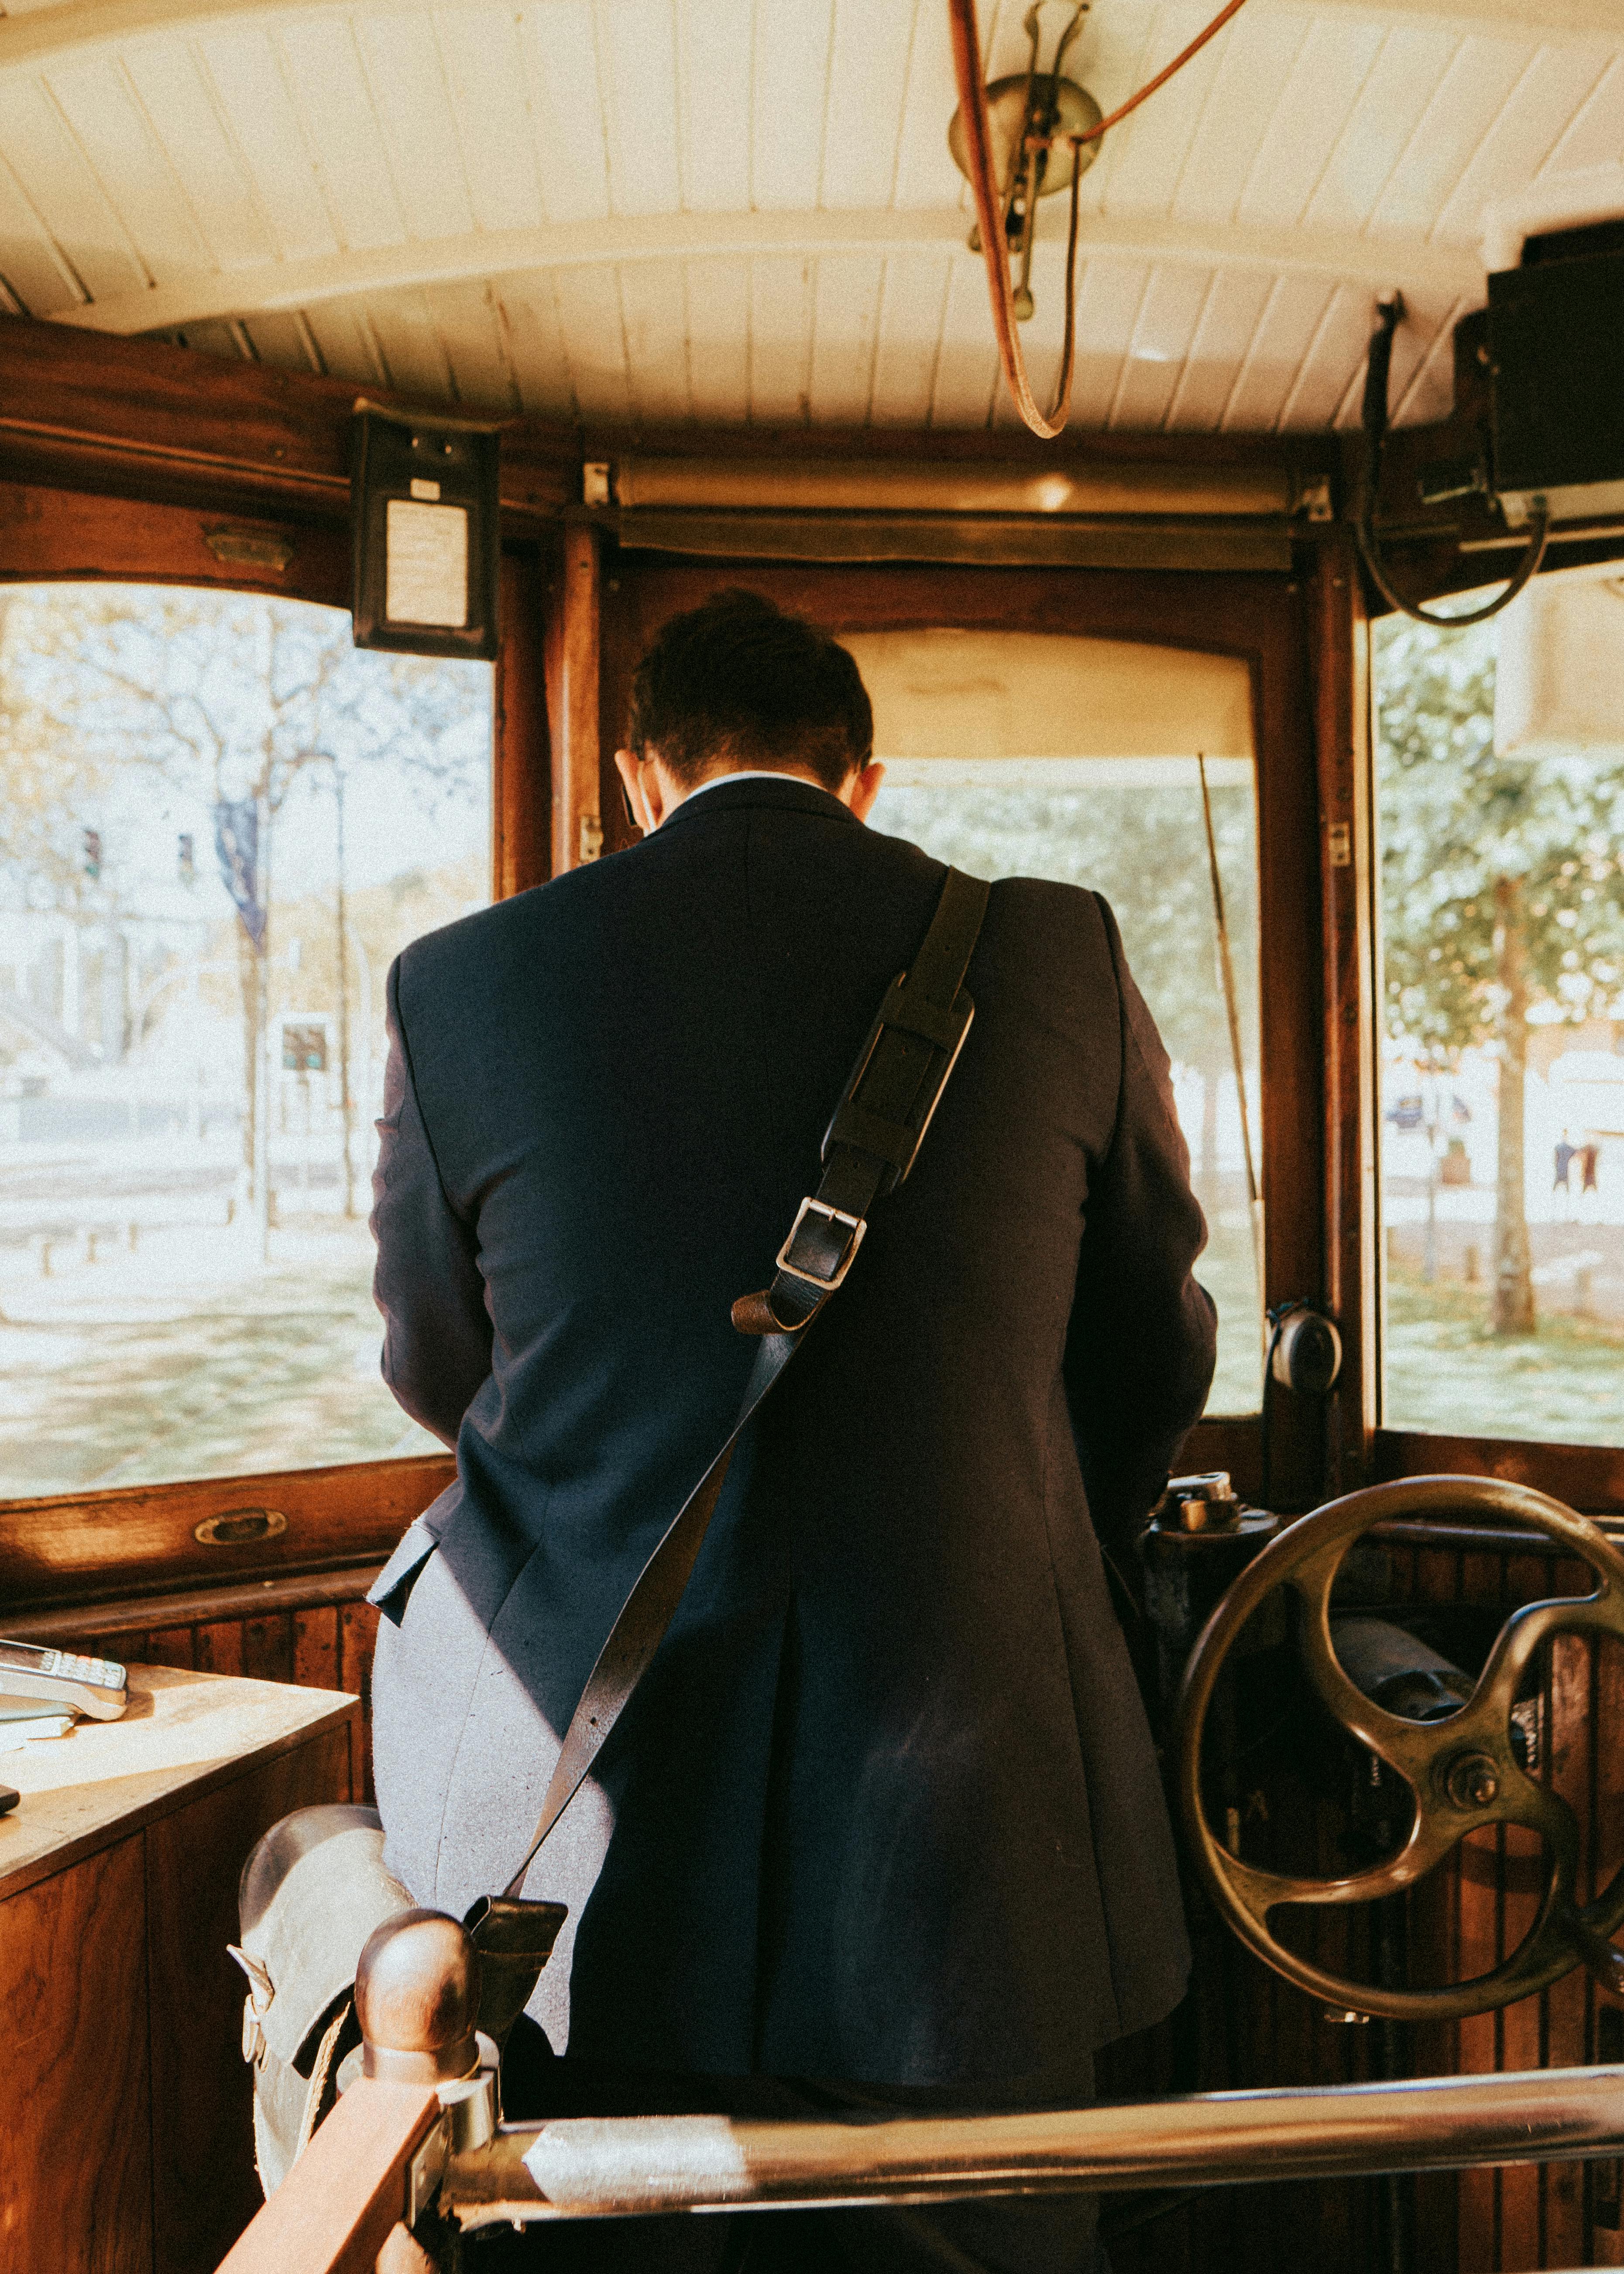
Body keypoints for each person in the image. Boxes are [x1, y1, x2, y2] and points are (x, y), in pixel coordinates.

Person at [367, 588, 1217, 2271]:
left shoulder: (460, 981)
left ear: (633, 773)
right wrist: (1033, 1533)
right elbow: (1147, 1347)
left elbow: (438, 1361)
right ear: (866, 776)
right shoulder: (1053, 949)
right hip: (978, 1826)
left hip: (587, 1802)